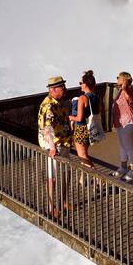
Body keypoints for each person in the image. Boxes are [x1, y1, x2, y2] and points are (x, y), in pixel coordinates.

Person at [37, 75, 73, 218]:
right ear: (53, 90)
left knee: (65, 173)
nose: (65, 89)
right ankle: (51, 208)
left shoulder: (59, 102)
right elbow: (47, 129)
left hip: (63, 142)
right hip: (55, 145)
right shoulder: (49, 105)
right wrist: (52, 147)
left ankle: (64, 202)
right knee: (52, 177)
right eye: (62, 87)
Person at [112, 71, 133, 182]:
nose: (116, 78)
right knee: (122, 146)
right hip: (120, 122)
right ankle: (123, 167)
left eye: (118, 77)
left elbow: (130, 100)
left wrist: (124, 89)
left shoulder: (128, 90)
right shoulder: (120, 91)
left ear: (123, 80)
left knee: (129, 146)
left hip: (127, 122)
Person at [67, 70, 98, 168]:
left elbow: (79, 118)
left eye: (81, 83)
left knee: (82, 156)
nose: (80, 85)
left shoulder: (82, 98)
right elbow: (97, 113)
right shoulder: (97, 97)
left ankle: (99, 178)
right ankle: (82, 179)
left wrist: (69, 117)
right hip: (91, 128)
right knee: (85, 154)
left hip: (81, 129)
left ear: (85, 84)